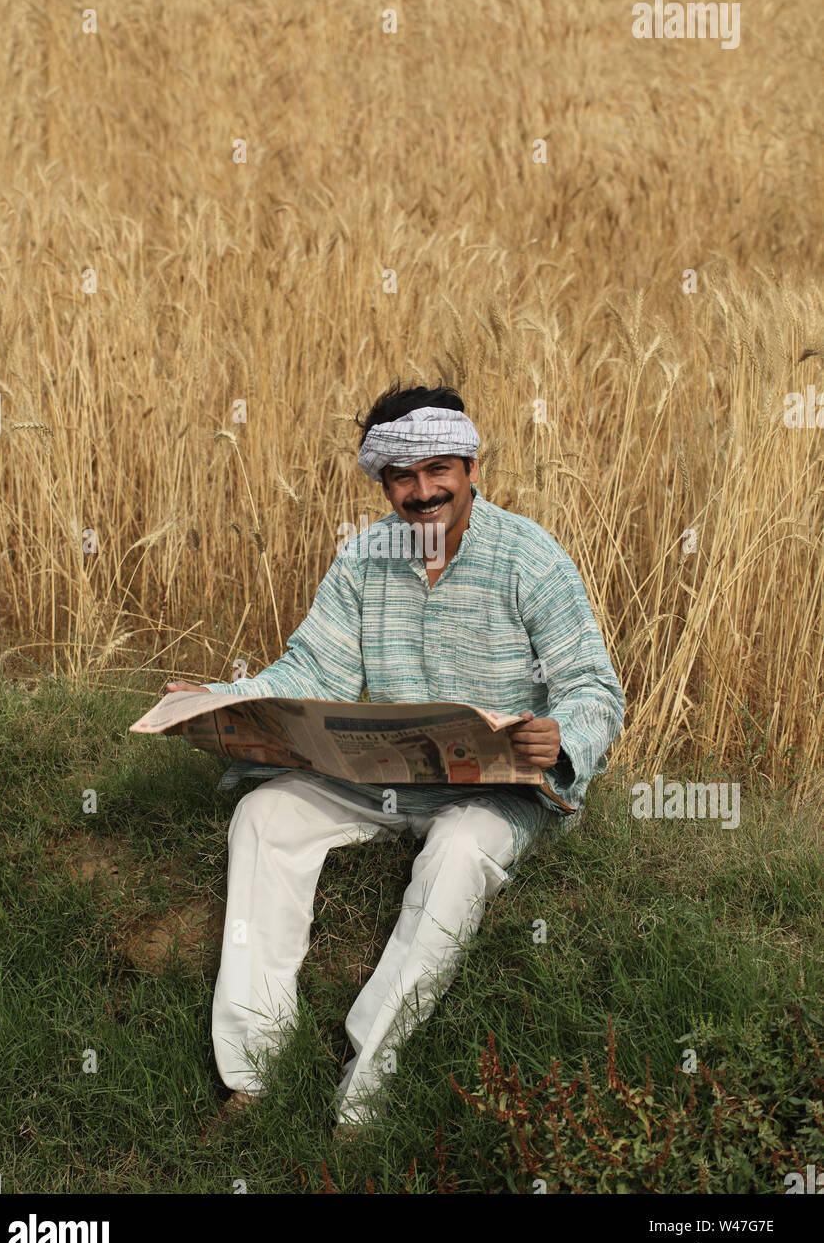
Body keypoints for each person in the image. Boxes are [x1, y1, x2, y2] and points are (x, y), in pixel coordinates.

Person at [166, 381, 625, 1136]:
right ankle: (254, 1076)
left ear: (471, 466)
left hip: (498, 794)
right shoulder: (364, 558)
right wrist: (217, 700)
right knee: (263, 813)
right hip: (388, 783)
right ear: (384, 482)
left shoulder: (530, 556)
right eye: (402, 477)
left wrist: (561, 736)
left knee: (458, 853)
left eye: (438, 470)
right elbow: (310, 673)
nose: (422, 493)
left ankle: (365, 1090)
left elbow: (593, 688)